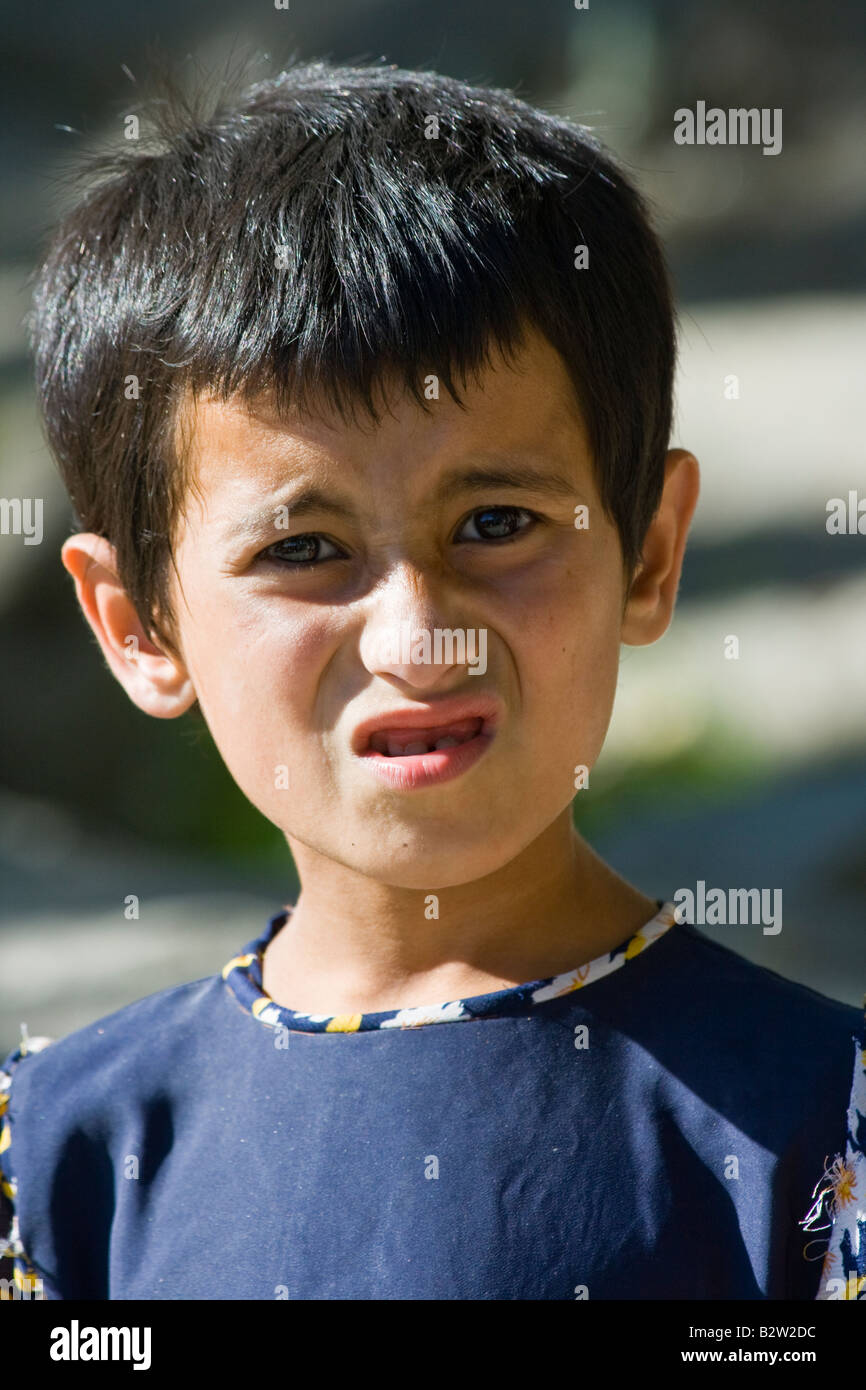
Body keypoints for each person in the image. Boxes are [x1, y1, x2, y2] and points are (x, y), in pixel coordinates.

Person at [1, 57, 862, 1301]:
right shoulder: (62, 1168)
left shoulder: (816, 1137)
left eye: (499, 522)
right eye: (304, 549)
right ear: (140, 626)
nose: (418, 639)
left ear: (649, 552)